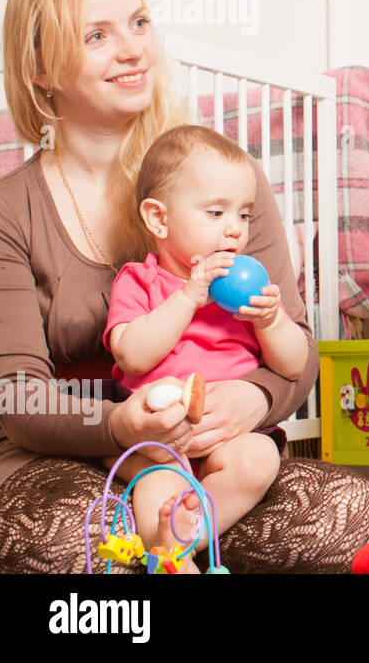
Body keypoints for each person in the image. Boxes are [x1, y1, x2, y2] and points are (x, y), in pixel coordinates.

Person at [0, 0, 369, 572]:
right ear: (41, 68)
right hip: (64, 459)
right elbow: (17, 397)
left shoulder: (225, 182)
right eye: (97, 34)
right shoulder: (11, 210)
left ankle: (178, 542)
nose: (132, 50)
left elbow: (294, 352)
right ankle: (167, 549)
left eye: (140, 22)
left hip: (213, 459)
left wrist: (254, 401)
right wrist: (121, 426)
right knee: (73, 547)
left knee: (351, 515)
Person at [102, 125, 308, 565]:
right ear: (159, 219)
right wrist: (188, 297)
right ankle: (169, 536)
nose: (235, 230)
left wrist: (271, 321)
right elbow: (132, 355)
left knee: (258, 458)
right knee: (161, 479)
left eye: (244, 215)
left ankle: (181, 545)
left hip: (230, 438)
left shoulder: (249, 288)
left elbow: (293, 365)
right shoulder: (140, 281)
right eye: (216, 214)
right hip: (159, 439)